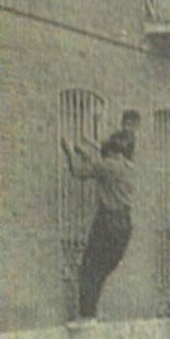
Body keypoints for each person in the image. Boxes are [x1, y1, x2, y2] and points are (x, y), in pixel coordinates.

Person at [61, 132, 134, 324]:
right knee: (101, 270)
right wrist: (83, 150)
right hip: (124, 225)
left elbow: (78, 171)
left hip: (107, 223)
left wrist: (69, 150)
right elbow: (98, 164)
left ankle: (86, 315)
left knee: (88, 267)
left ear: (112, 152)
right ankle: (90, 313)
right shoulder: (127, 167)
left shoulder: (109, 166)